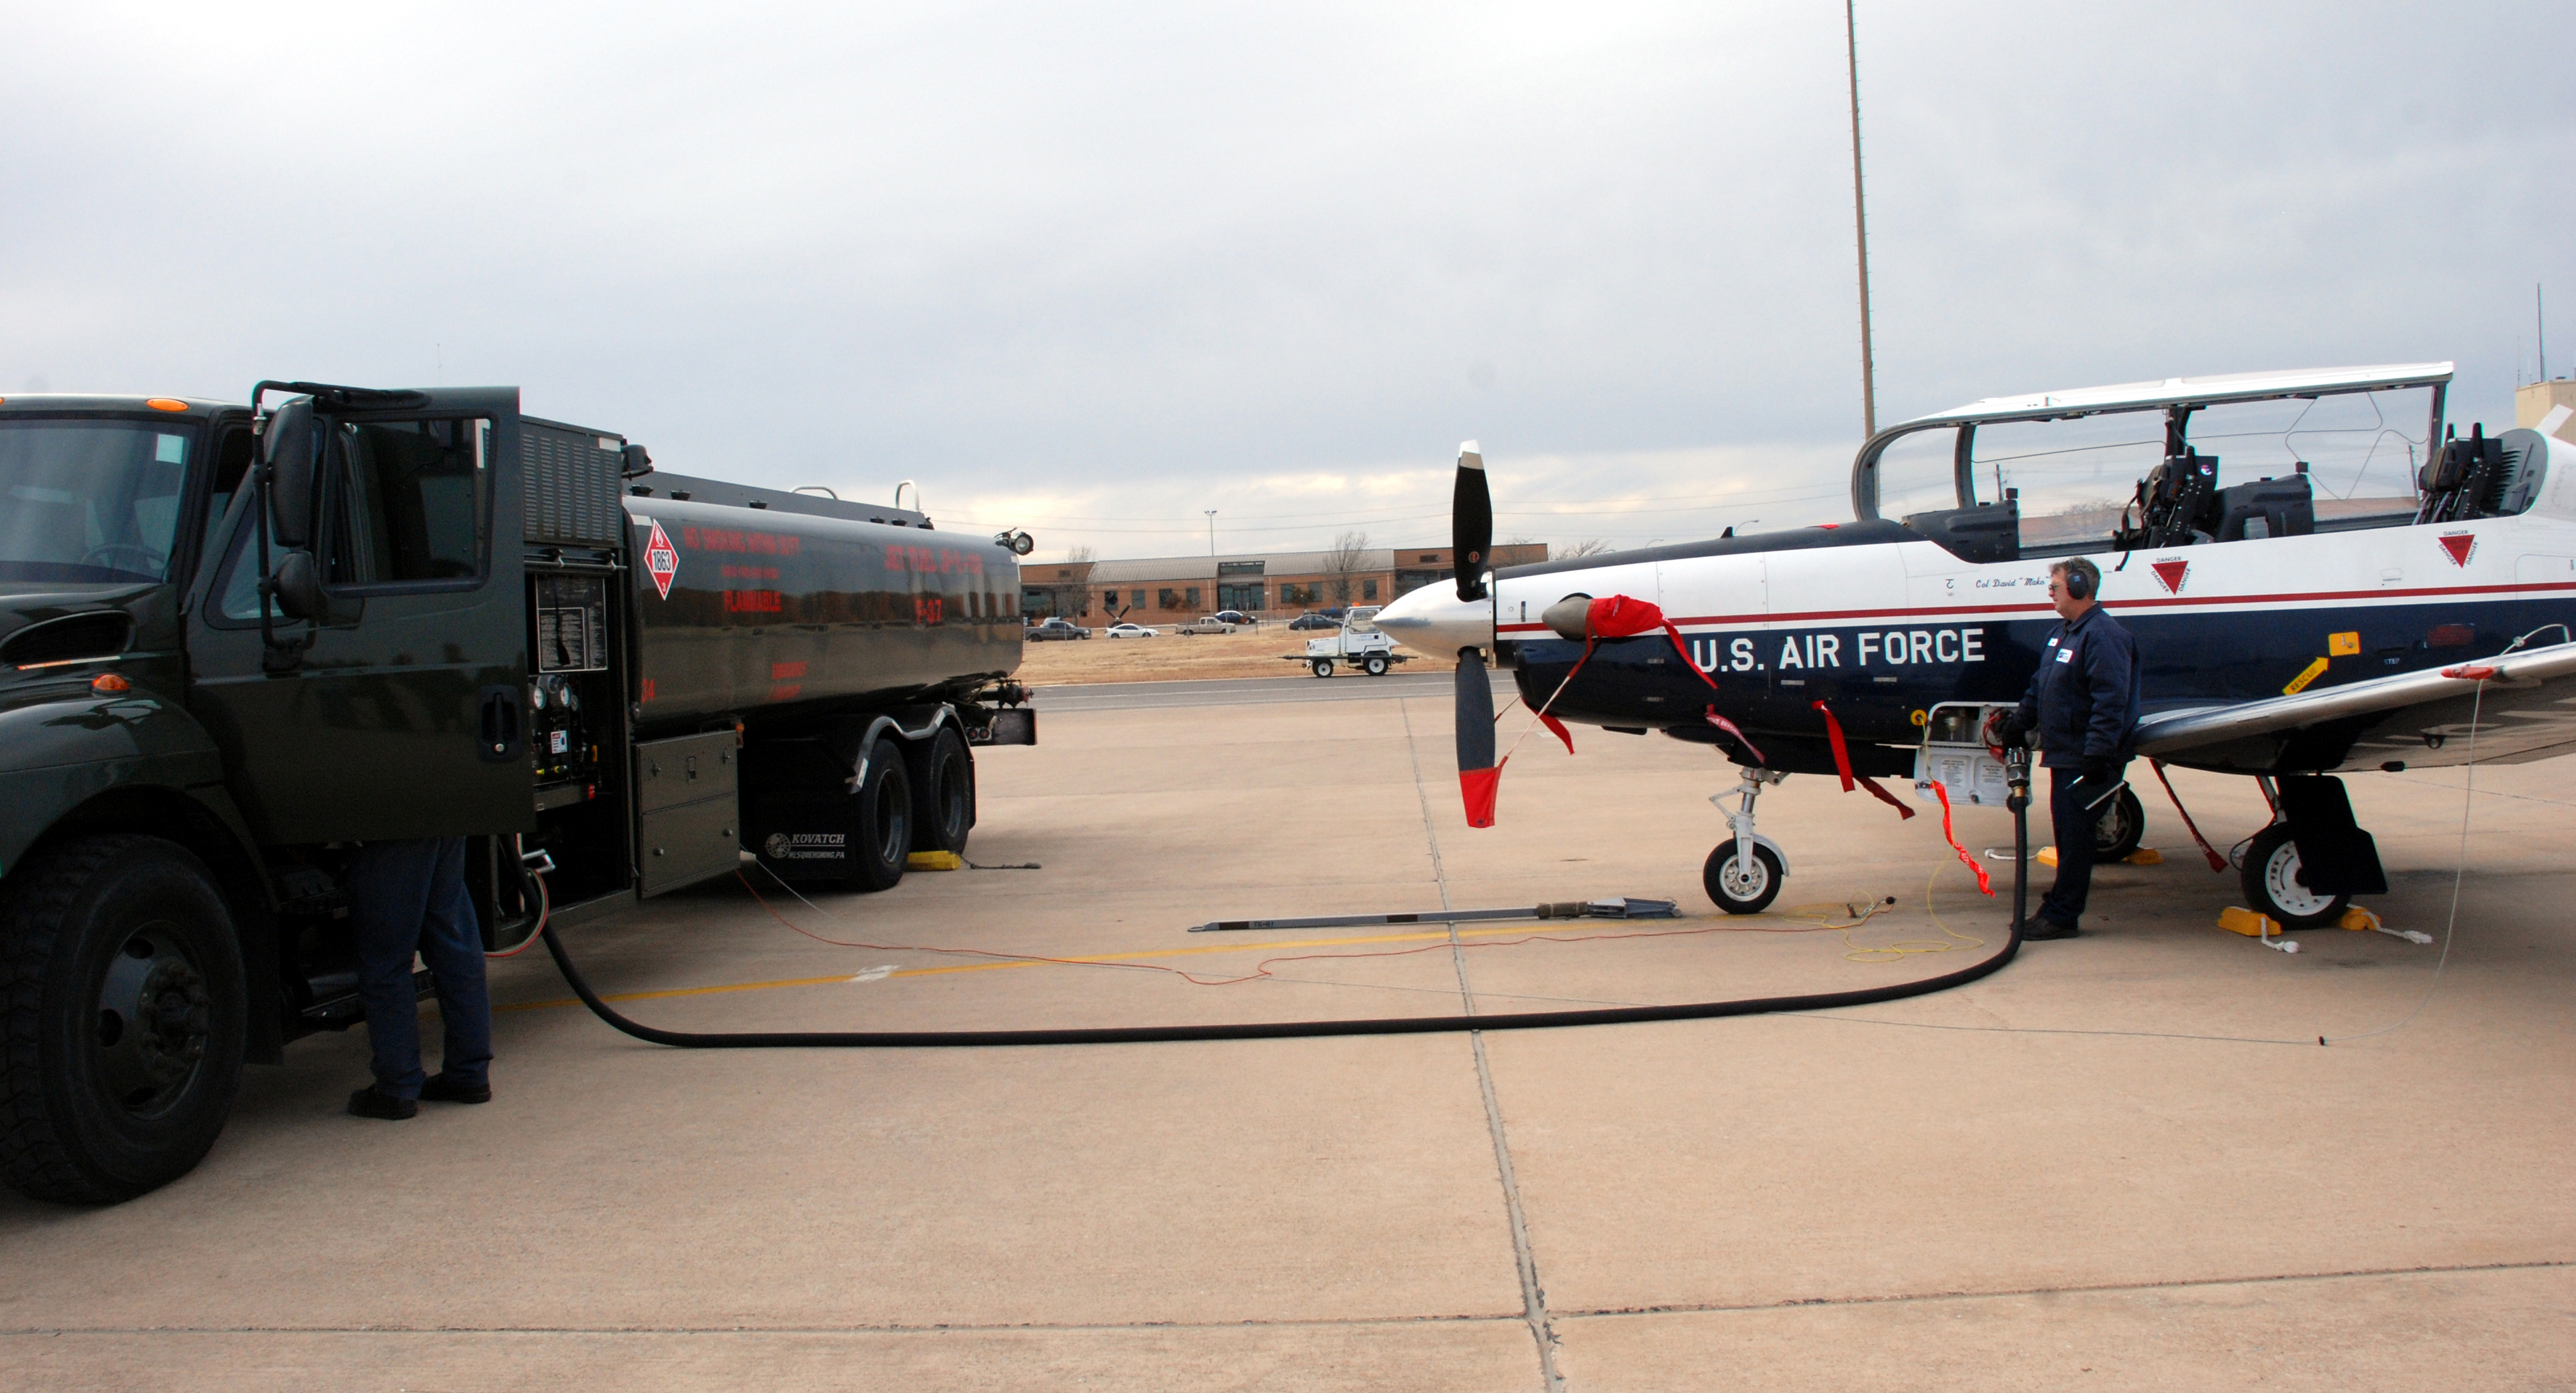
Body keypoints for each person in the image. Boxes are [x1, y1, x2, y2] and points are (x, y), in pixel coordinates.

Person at [2001, 557, 2142, 940]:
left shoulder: (2103, 636)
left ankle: (2063, 916)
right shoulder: (2063, 634)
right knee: (2066, 835)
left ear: (2079, 588)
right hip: (2065, 754)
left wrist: (2098, 753)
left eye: (2055, 587)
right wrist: (2020, 724)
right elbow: (2041, 684)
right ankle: (2058, 906)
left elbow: (2110, 699)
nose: (2050, 593)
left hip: (2087, 757)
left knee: (2077, 840)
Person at [344, 838, 494, 1119]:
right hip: (443, 807)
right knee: (453, 943)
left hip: (393, 815)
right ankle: (469, 1073)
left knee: (387, 955)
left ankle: (397, 1086)